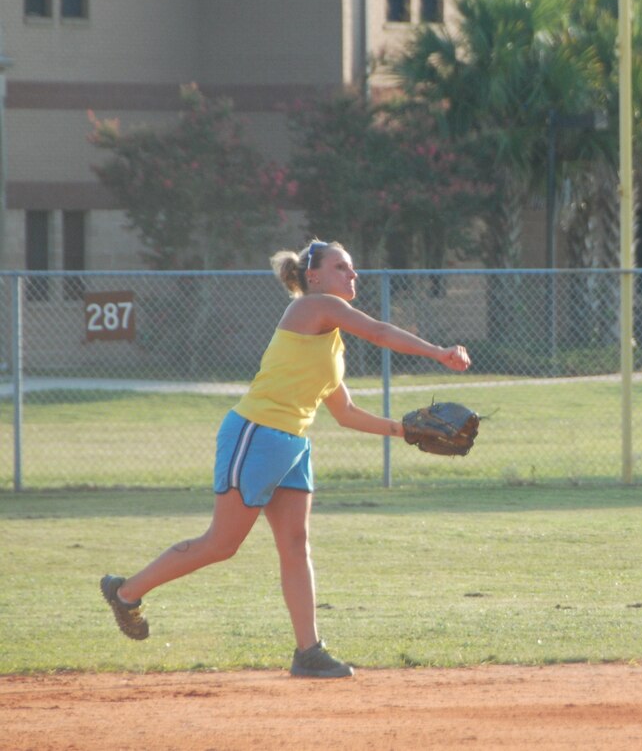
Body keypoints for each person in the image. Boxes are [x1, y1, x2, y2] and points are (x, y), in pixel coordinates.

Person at [100, 239, 471, 678]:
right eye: (341, 267)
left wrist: (404, 431)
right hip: (256, 433)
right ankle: (126, 592)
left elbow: (346, 413)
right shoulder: (313, 307)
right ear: (313, 277)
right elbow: (380, 332)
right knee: (221, 543)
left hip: (292, 444)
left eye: (352, 268)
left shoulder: (328, 341)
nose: (352, 275)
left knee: (296, 545)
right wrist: (438, 353)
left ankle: (308, 651)